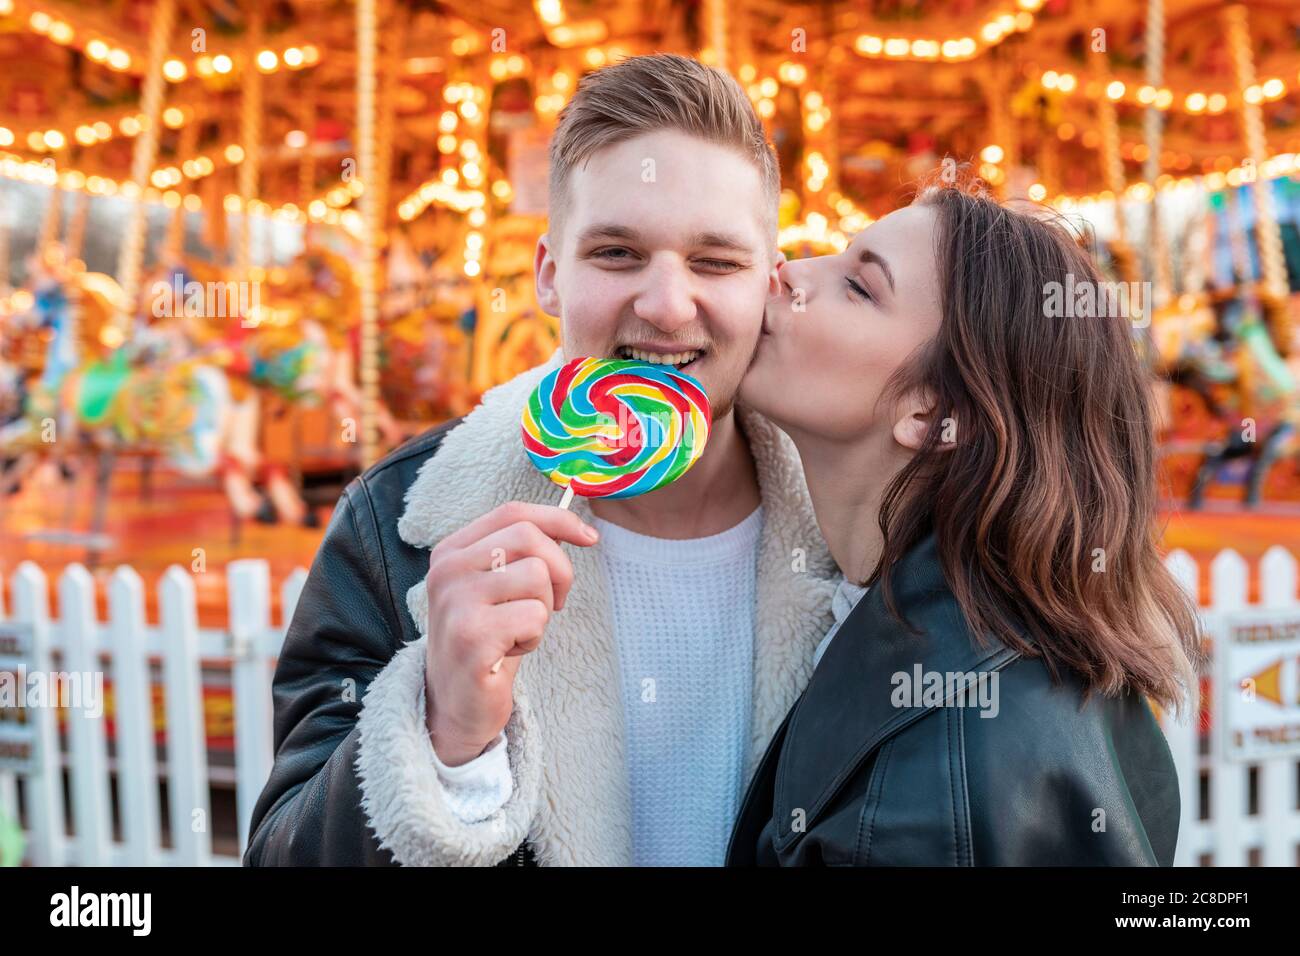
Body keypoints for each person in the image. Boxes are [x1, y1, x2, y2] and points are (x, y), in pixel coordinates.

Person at [244, 53, 841, 867]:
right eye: (618, 254)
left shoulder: (866, 544)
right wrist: (442, 732)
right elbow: (283, 858)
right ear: (549, 276)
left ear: (770, 286)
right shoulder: (398, 529)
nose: (667, 304)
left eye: (715, 261)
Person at [726, 176, 1203, 866]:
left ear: (932, 414)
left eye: (860, 286)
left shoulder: (937, 784)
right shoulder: (988, 637)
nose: (787, 270)